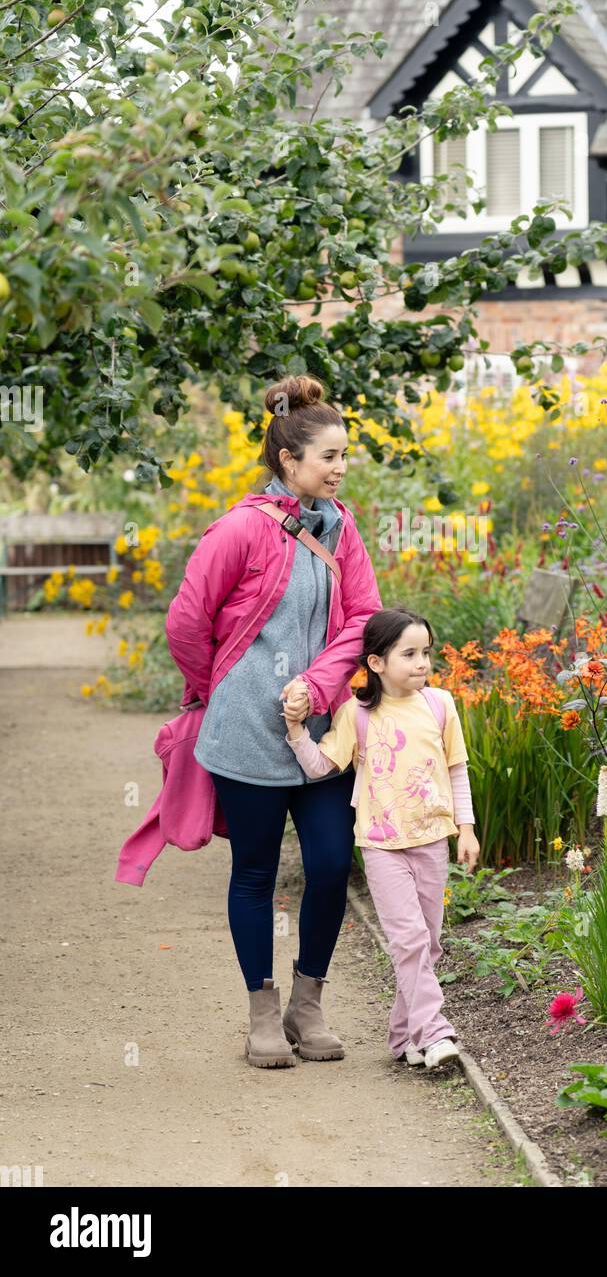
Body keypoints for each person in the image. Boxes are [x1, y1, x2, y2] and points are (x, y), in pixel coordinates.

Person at [164, 373, 381, 1069]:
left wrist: (318, 688)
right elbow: (187, 622)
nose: (342, 468)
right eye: (330, 457)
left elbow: (362, 619)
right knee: (254, 872)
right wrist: (218, 690)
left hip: (319, 733)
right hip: (247, 734)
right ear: (290, 461)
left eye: (345, 455)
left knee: (329, 862)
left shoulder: (341, 527)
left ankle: (306, 1004)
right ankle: (261, 1013)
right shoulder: (238, 530)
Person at [282, 607, 481, 1071]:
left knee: (428, 943)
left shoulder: (440, 705)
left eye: (426, 652)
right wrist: (296, 732)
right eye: (409, 653)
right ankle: (433, 1033)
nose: (422, 663)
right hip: (381, 846)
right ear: (376, 663)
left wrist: (466, 830)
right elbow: (320, 767)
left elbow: (457, 769)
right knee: (408, 940)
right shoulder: (358, 714)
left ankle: (403, 1037)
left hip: (433, 840)